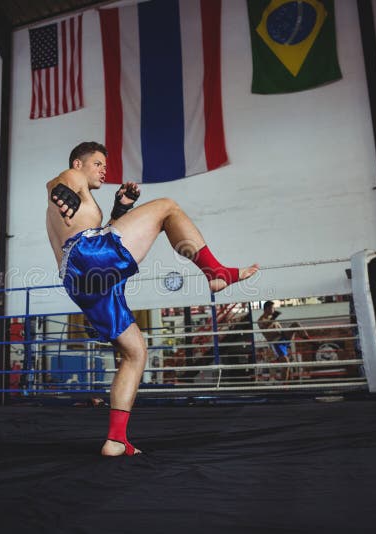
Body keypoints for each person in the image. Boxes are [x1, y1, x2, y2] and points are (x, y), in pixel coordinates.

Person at [46, 141, 259, 456]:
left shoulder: (80, 204)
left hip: (80, 281)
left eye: (105, 165)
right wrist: (58, 190)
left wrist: (121, 210)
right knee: (167, 207)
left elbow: (106, 237)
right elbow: (57, 183)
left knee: (135, 353)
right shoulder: (70, 179)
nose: (104, 171)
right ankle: (216, 272)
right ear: (78, 164)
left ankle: (116, 440)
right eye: (98, 164)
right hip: (87, 258)